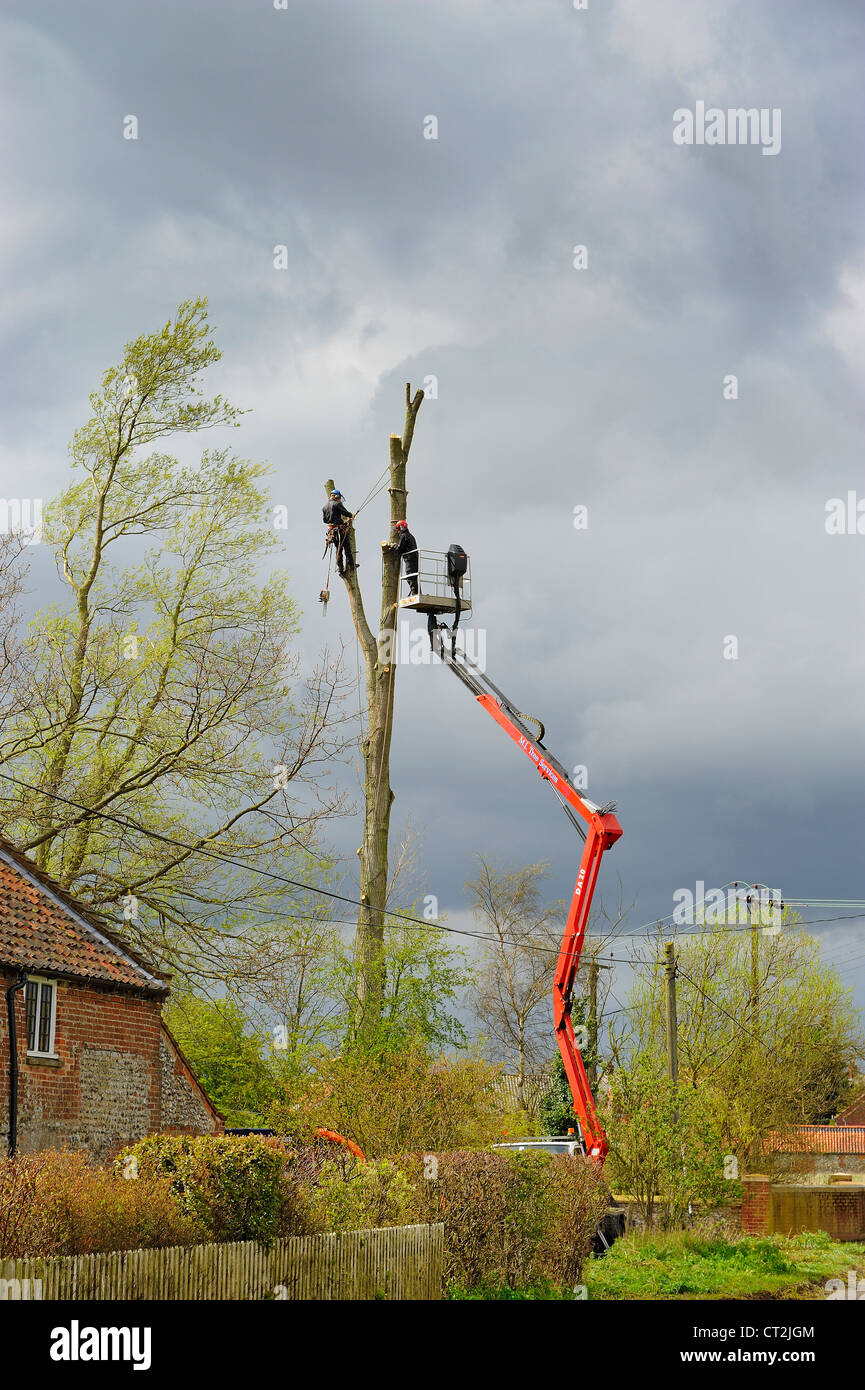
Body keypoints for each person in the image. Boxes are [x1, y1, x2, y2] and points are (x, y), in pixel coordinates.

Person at [322, 490, 354, 574]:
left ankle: (340, 567)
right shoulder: (336, 504)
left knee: (338, 549)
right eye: (339, 497)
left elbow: (325, 520)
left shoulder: (324, 507)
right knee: (347, 547)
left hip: (332, 532)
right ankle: (351, 565)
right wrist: (351, 515)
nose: (339, 499)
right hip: (339, 530)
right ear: (336, 496)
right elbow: (345, 513)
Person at [394, 519, 419, 595]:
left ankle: (415, 593)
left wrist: (394, 546)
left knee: (410, 576)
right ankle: (417, 592)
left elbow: (400, 549)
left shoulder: (404, 536)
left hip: (410, 559)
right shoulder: (411, 536)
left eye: (398, 529)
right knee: (414, 577)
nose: (398, 531)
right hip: (415, 558)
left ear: (401, 528)